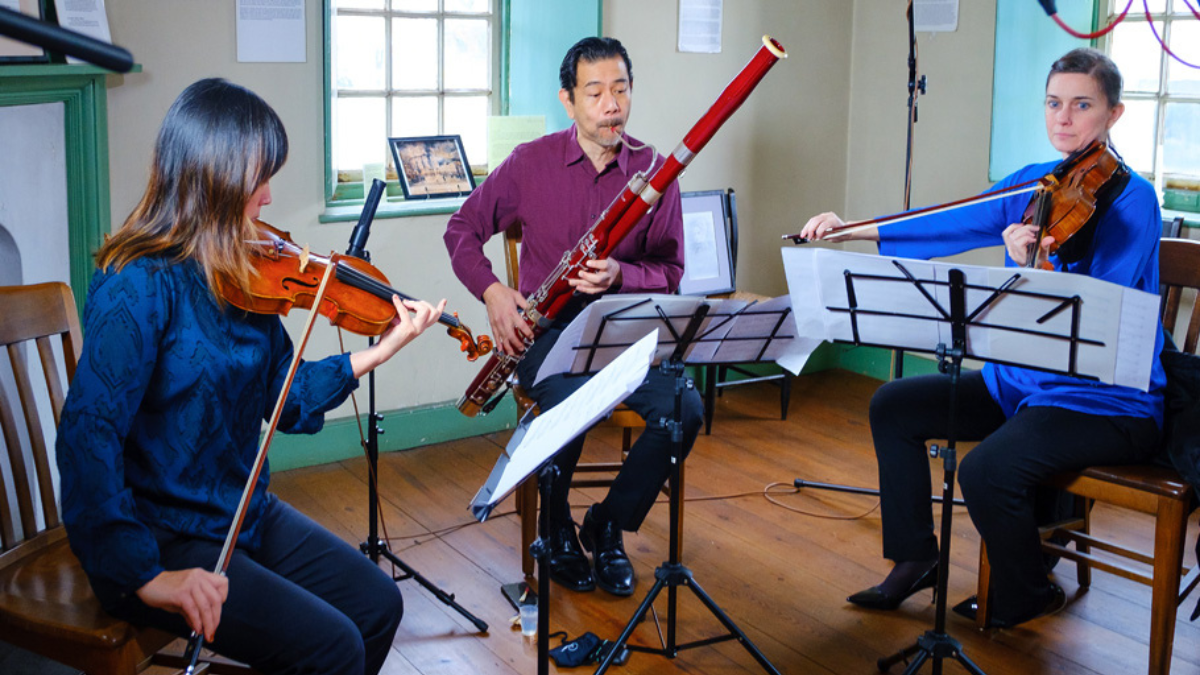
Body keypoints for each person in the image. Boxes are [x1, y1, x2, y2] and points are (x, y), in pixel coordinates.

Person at [56, 78, 446, 675]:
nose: (267, 196)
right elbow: (88, 440)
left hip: (240, 511)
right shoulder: (137, 285)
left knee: (377, 604)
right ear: (213, 177)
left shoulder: (243, 274)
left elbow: (285, 400)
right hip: (158, 535)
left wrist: (383, 348)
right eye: (259, 176)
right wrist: (147, 576)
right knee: (330, 647)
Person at [797, 48, 1165, 628]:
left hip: (1101, 400)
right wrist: (851, 230)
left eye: (1082, 105)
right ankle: (916, 557)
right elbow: (942, 222)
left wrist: (1033, 268)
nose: (1063, 118)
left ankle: (1027, 593)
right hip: (1019, 385)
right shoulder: (1037, 184)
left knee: (986, 470)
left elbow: (1101, 312)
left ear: (1113, 115)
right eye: (1053, 103)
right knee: (894, 406)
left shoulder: (1134, 201)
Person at [444, 36, 703, 597]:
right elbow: (460, 230)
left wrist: (622, 276)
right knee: (569, 402)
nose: (612, 104)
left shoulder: (657, 173)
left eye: (621, 89)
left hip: (628, 332)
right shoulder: (530, 163)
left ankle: (607, 524)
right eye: (596, 93)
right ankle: (555, 526)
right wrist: (491, 291)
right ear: (569, 100)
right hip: (548, 334)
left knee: (684, 409)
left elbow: (671, 270)